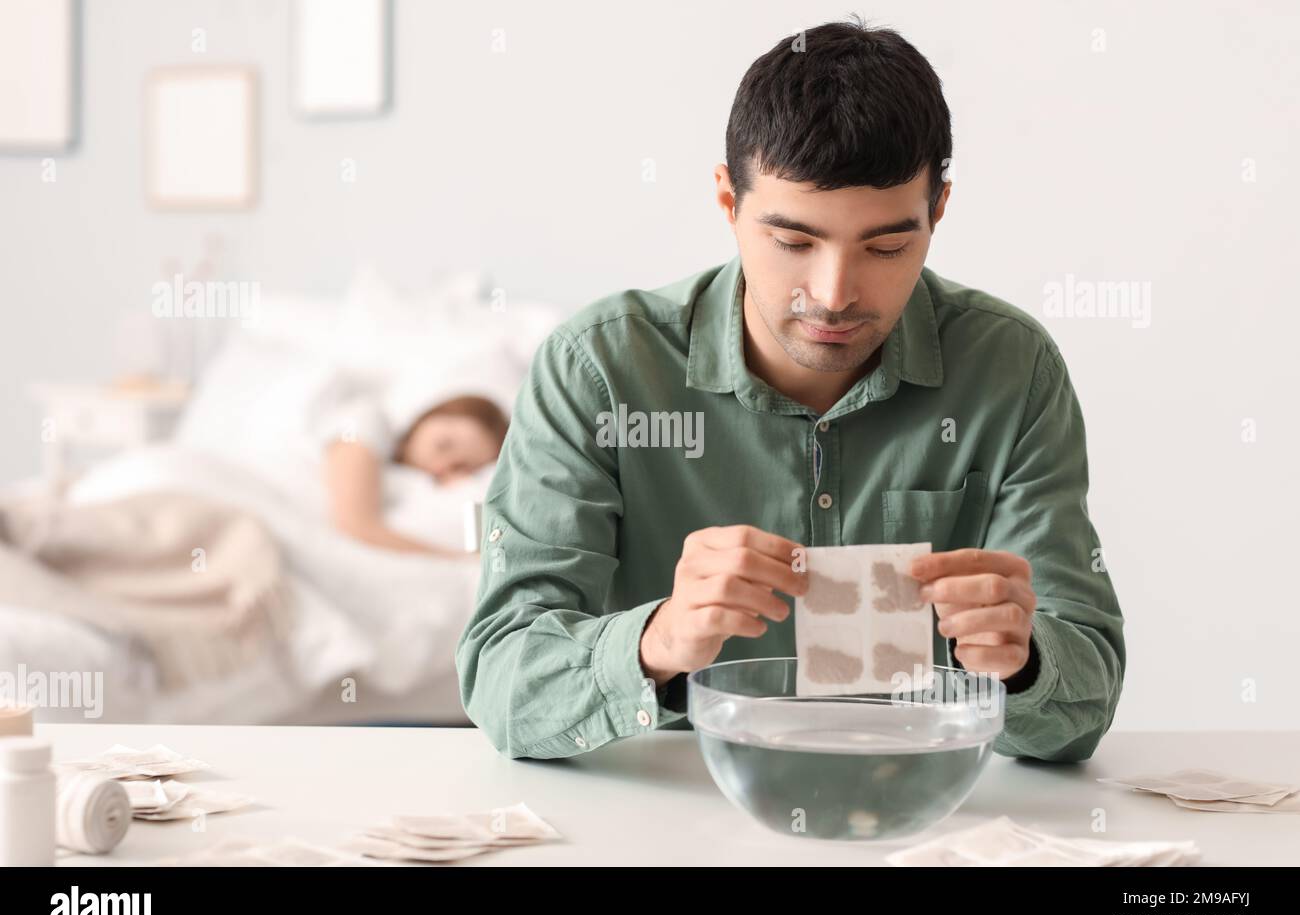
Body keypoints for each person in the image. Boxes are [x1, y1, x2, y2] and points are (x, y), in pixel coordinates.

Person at [458, 18, 1124, 761]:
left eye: (887, 246)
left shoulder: (1012, 370)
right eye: (794, 242)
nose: (834, 295)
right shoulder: (600, 371)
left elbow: (1085, 707)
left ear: (938, 210)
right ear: (727, 201)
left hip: (922, 809)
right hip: (675, 813)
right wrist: (660, 640)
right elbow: (500, 678)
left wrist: (1025, 661)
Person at [324, 393, 508, 554]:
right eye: (443, 445)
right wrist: (459, 558)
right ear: (427, 419)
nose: (440, 467)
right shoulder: (364, 421)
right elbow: (357, 523)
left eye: (459, 466)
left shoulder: (413, 482)